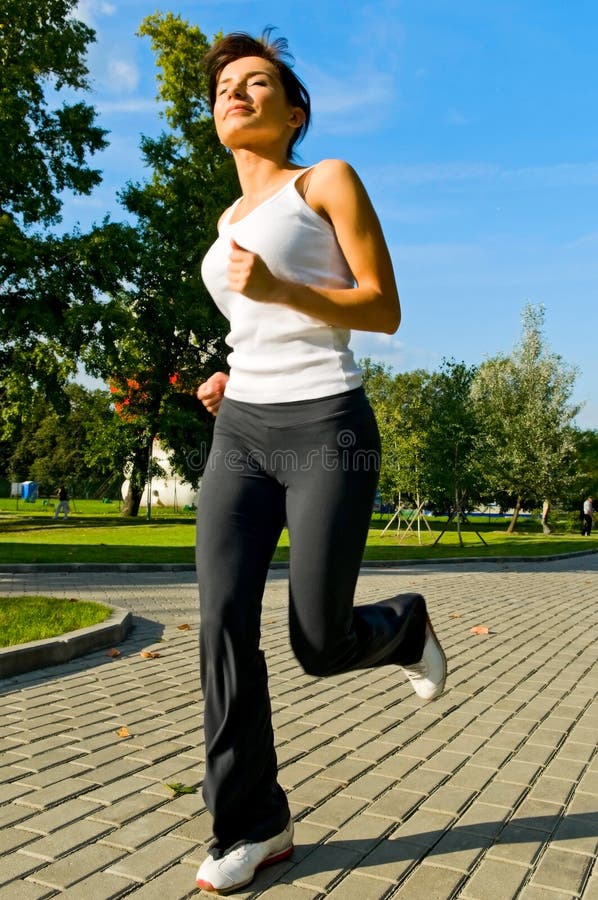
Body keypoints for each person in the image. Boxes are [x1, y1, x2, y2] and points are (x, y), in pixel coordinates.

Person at [194, 30, 447, 894]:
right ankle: (253, 824)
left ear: (293, 111)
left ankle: (403, 626)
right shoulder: (227, 222)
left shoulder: (325, 179)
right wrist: (232, 368)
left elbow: (383, 308)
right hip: (243, 431)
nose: (236, 92)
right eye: (225, 85)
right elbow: (256, 319)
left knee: (316, 642)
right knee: (221, 622)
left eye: (257, 81)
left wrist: (280, 291)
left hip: (326, 425)